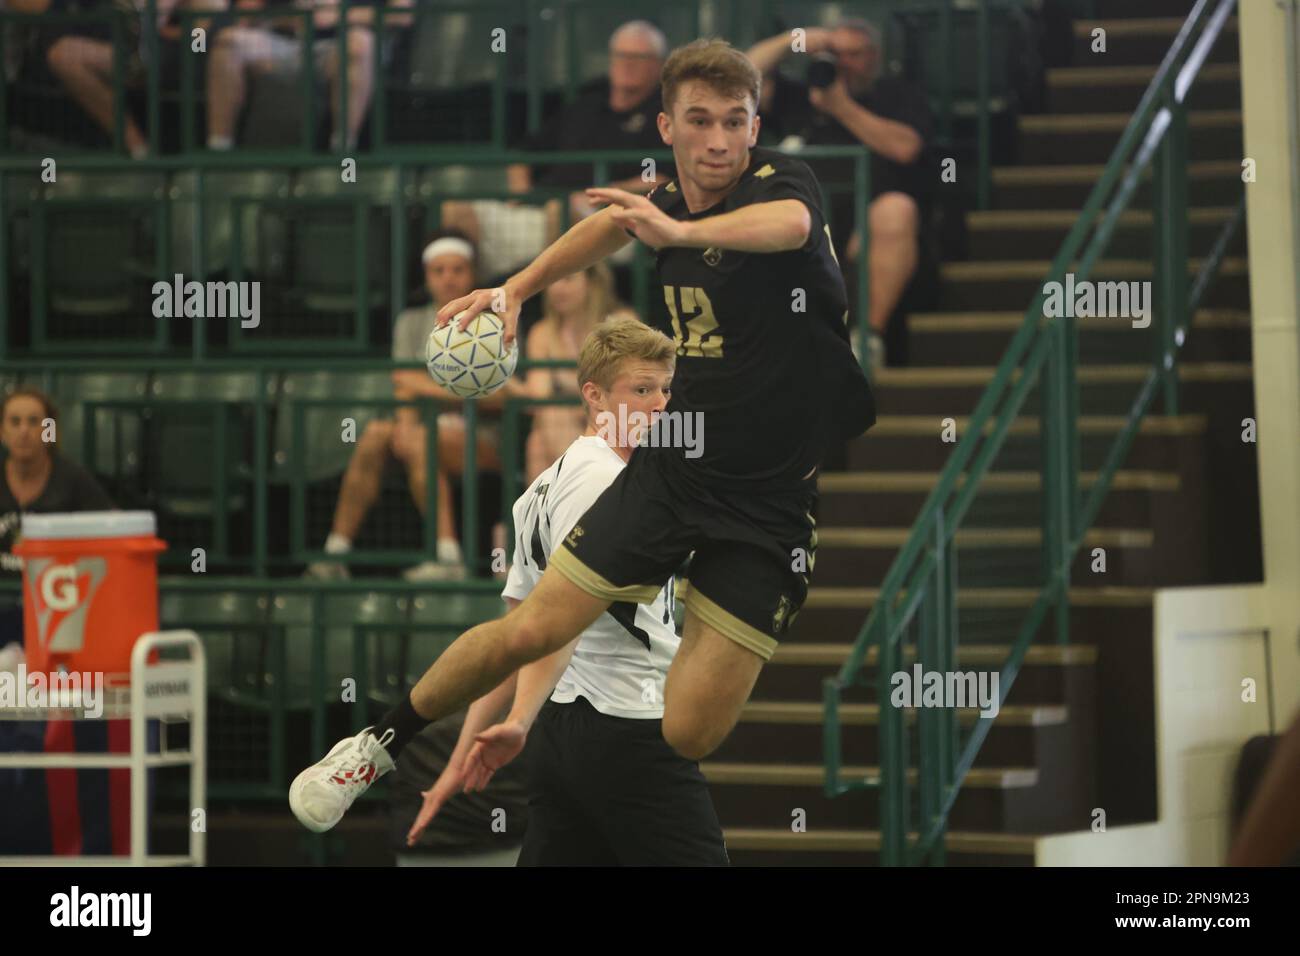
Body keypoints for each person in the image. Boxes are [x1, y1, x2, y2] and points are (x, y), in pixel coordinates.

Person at [287, 37, 875, 834]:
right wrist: (519, 288)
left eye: (735, 123)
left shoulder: (781, 186)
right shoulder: (668, 197)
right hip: (675, 477)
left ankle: (698, 586)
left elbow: (790, 225)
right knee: (529, 628)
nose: (718, 142)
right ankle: (373, 744)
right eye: (698, 122)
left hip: (770, 506)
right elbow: (609, 228)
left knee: (688, 729)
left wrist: (674, 234)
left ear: (755, 125)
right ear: (665, 126)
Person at [304, 231, 504, 583]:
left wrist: (427, 388)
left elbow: (500, 398)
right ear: (427, 276)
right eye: (439, 270)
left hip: (485, 439)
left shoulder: (494, 322)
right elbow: (403, 390)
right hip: (423, 434)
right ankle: (334, 555)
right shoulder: (410, 322)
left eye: (457, 269)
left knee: (417, 439)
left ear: (472, 274)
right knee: (377, 433)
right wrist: (416, 415)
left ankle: (448, 559)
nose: (448, 278)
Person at [748, 19, 934, 370]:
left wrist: (841, 107)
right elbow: (740, 75)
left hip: (869, 218)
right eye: (837, 54)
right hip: (804, 216)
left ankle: (868, 339)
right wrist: (793, 41)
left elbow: (905, 147)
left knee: (897, 210)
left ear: (875, 57)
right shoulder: (801, 95)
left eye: (854, 54)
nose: (844, 63)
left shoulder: (894, 95)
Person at [441, 20, 673, 285]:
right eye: (621, 55)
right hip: (539, 210)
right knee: (455, 209)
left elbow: (662, 179)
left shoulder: (662, 115)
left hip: (609, 220)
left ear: (658, 64)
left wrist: (603, 193)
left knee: (560, 210)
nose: (627, 63)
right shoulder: (585, 106)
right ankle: (471, 312)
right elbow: (525, 152)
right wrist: (521, 192)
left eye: (638, 57)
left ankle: (556, 307)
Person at [205, 0, 413, 152]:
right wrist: (290, 17)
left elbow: (402, 14)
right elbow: (246, 13)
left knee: (361, 44)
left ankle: (343, 149)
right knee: (230, 41)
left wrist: (339, 14)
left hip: (344, 42)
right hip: (286, 41)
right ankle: (219, 148)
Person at [509, 261, 637, 482]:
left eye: (567, 279)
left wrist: (586, 409)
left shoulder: (621, 322)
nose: (557, 288)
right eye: (552, 281)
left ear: (591, 283)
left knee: (546, 427)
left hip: (620, 420)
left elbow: (632, 388)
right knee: (538, 438)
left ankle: (576, 489)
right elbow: (539, 397)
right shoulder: (542, 332)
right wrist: (499, 377)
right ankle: (573, 495)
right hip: (567, 426)